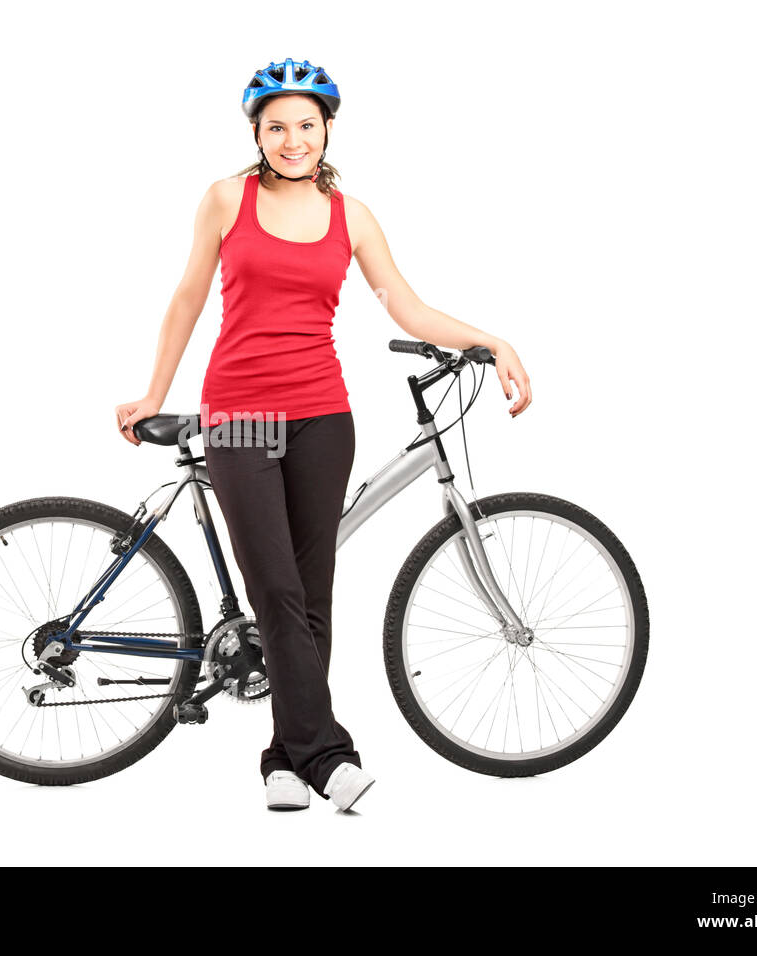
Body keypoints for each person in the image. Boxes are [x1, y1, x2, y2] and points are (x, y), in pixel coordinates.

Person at [114, 59, 532, 812]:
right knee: (273, 587)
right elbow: (185, 298)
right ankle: (330, 756)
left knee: (310, 597)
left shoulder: (353, 216)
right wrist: (154, 391)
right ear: (257, 133)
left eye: (306, 124)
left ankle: (282, 760)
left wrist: (490, 339)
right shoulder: (224, 200)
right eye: (277, 126)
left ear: (328, 129)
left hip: (322, 417)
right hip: (239, 414)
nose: (293, 139)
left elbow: (404, 306)